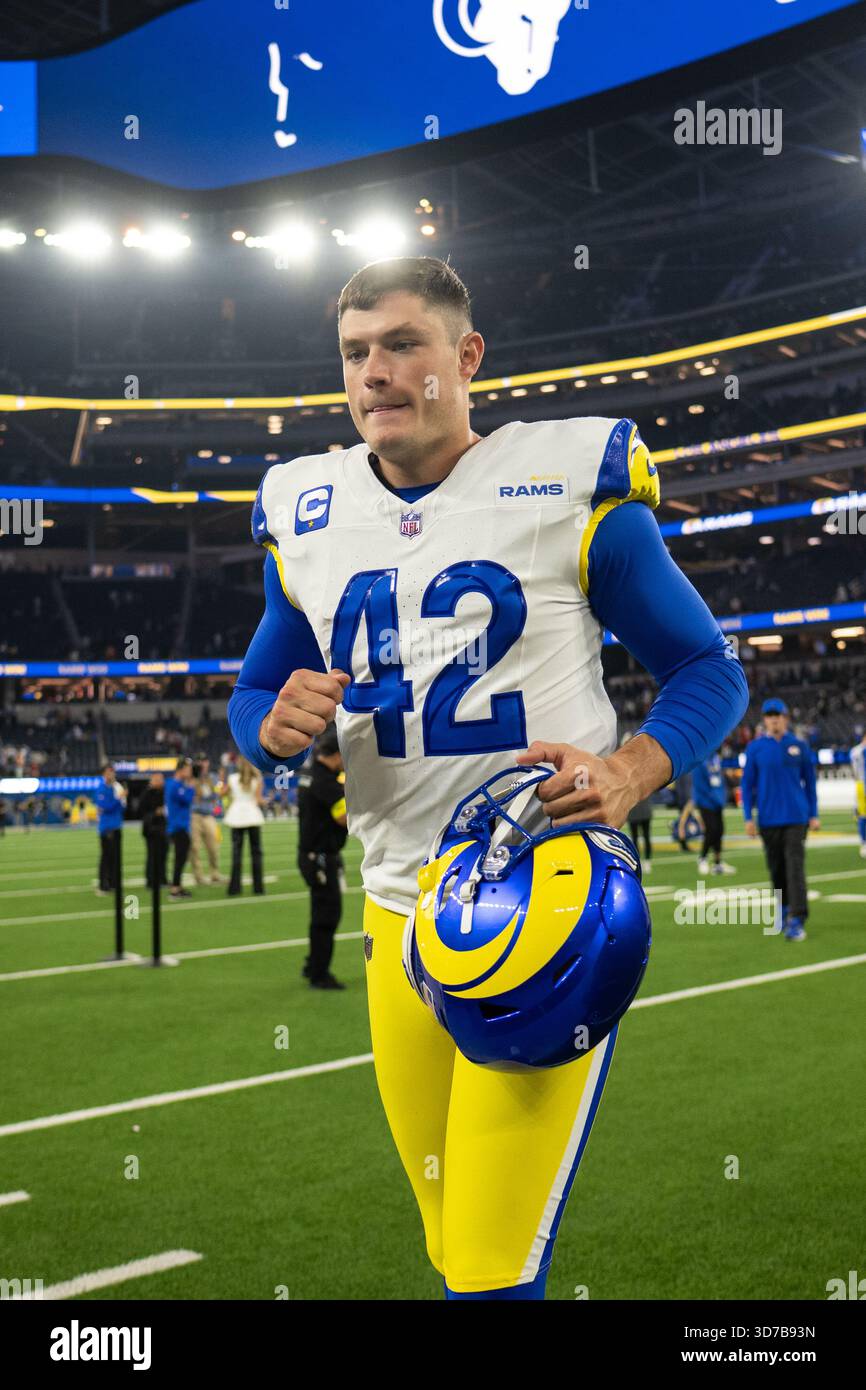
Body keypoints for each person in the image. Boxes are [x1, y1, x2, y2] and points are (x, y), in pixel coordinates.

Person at [228, 256, 748, 1300]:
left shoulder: (564, 485)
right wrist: (271, 730)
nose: (373, 372)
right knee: (445, 1231)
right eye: (354, 353)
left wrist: (631, 768)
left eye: (401, 344)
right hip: (393, 920)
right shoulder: (308, 511)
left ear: (465, 356)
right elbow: (255, 695)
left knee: (486, 1265)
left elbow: (706, 668)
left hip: (541, 902)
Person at [742, 698, 819, 941]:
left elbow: (811, 783)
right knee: (776, 869)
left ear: (785, 718)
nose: (774, 719)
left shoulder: (799, 746)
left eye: (778, 715)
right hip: (768, 819)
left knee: (795, 867)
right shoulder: (755, 748)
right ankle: (783, 909)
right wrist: (748, 817)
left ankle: (797, 918)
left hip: (796, 817)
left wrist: (814, 813)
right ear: (764, 720)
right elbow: (747, 785)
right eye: (769, 715)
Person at [296, 726, 348, 990]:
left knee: (319, 913)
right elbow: (343, 818)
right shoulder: (326, 781)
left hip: (309, 853)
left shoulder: (308, 774)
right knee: (327, 916)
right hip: (321, 857)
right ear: (335, 755)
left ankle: (311, 964)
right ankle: (320, 973)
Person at [223, 756, 266, 896]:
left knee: (236, 853)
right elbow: (259, 800)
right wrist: (265, 801)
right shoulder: (257, 780)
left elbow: (223, 793)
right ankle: (258, 888)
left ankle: (234, 889)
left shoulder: (232, 779)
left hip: (236, 816)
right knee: (256, 853)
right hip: (253, 816)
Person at [693, 749, 735, 876]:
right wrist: (712, 797)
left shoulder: (715, 758)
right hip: (706, 801)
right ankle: (702, 858)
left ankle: (717, 863)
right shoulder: (700, 759)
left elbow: (719, 779)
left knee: (720, 830)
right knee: (711, 830)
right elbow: (699, 784)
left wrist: (722, 797)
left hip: (717, 800)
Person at [92, 763, 126, 897]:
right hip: (106, 828)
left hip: (117, 826)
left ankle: (113, 882)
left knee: (116, 857)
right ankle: (103, 884)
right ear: (103, 774)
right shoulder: (101, 789)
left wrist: (120, 800)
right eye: (108, 772)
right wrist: (119, 799)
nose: (111, 775)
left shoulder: (116, 788)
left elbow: (121, 808)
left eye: (112, 772)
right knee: (106, 857)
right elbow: (106, 807)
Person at [164, 757, 196, 899]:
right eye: (188, 769)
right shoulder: (174, 785)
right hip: (178, 827)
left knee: (182, 858)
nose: (190, 772)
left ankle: (177, 885)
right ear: (181, 769)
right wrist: (191, 786)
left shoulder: (178, 784)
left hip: (181, 825)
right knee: (179, 858)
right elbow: (188, 799)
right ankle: (175, 889)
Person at [190, 756, 225, 885]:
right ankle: (198, 876)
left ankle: (214, 873)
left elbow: (216, 795)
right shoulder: (191, 778)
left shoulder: (212, 777)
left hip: (208, 815)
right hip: (194, 815)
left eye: (205, 761)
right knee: (195, 847)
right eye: (200, 761)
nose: (203, 764)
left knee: (213, 846)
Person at [139, 771, 168, 891]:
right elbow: (142, 811)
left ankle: (163, 879)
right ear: (153, 780)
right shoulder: (146, 794)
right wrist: (156, 812)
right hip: (151, 829)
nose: (162, 782)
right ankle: (150, 881)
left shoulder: (164, 792)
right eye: (159, 779)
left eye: (162, 779)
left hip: (163, 827)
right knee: (152, 856)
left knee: (163, 854)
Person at [627, 792, 653, 874]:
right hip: (634, 811)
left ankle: (647, 861)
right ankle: (638, 862)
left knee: (646, 837)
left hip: (643, 810)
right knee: (635, 839)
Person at [850, 734, 866, 859]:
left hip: (860, 783)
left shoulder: (855, 751)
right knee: (863, 815)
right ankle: (864, 843)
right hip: (862, 785)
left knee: (862, 814)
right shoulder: (860, 751)